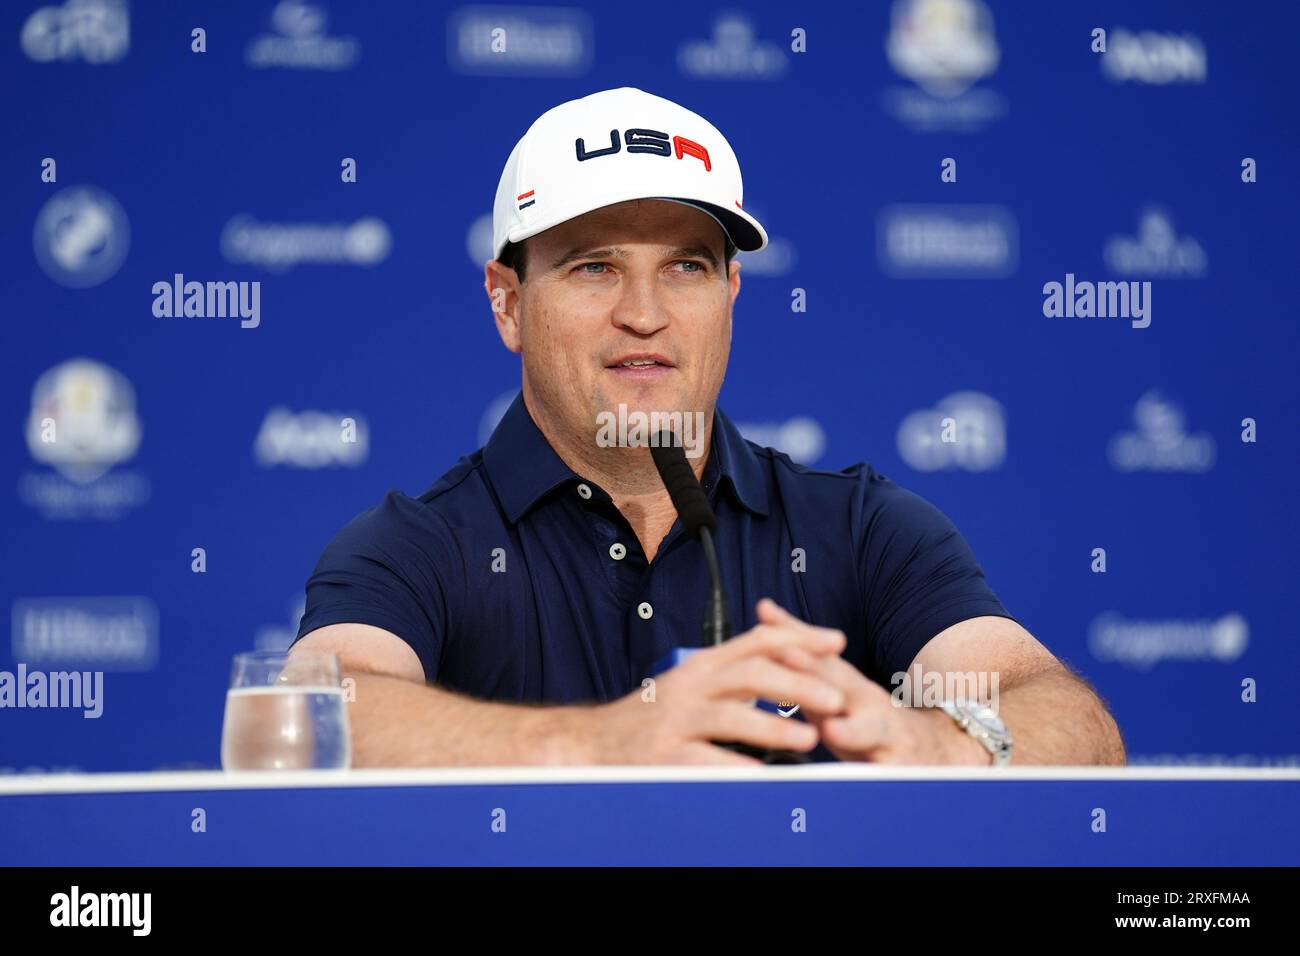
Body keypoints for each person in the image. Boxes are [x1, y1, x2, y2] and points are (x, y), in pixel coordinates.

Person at [291, 87, 1125, 767]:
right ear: (508, 304)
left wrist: (939, 747)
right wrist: (602, 744)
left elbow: (1067, 718)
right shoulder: (412, 546)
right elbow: (314, 719)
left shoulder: (863, 530)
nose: (645, 315)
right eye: (595, 267)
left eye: (685, 267)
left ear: (731, 296)